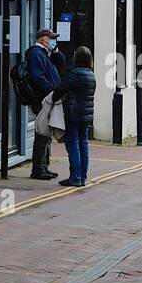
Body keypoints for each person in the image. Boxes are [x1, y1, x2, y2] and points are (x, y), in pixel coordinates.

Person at [26, 27, 63, 181]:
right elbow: (37, 76)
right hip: (43, 98)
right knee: (42, 132)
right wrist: (51, 92)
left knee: (45, 133)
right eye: (51, 38)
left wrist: (56, 54)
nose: (54, 41)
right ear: (43, 39)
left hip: (48, 98)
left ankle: (44, 167)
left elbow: (60, 66)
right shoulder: (35, 53)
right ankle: (38, 169)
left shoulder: (45, 53)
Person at [57, 47, 97, 188]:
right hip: (86, 114)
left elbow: (61, 89)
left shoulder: (75, 74)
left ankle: (75, 177)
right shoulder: (91, 74)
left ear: (77, 58)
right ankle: (82, 177)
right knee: (83, 144)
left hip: (73, 113)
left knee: (73, 144)